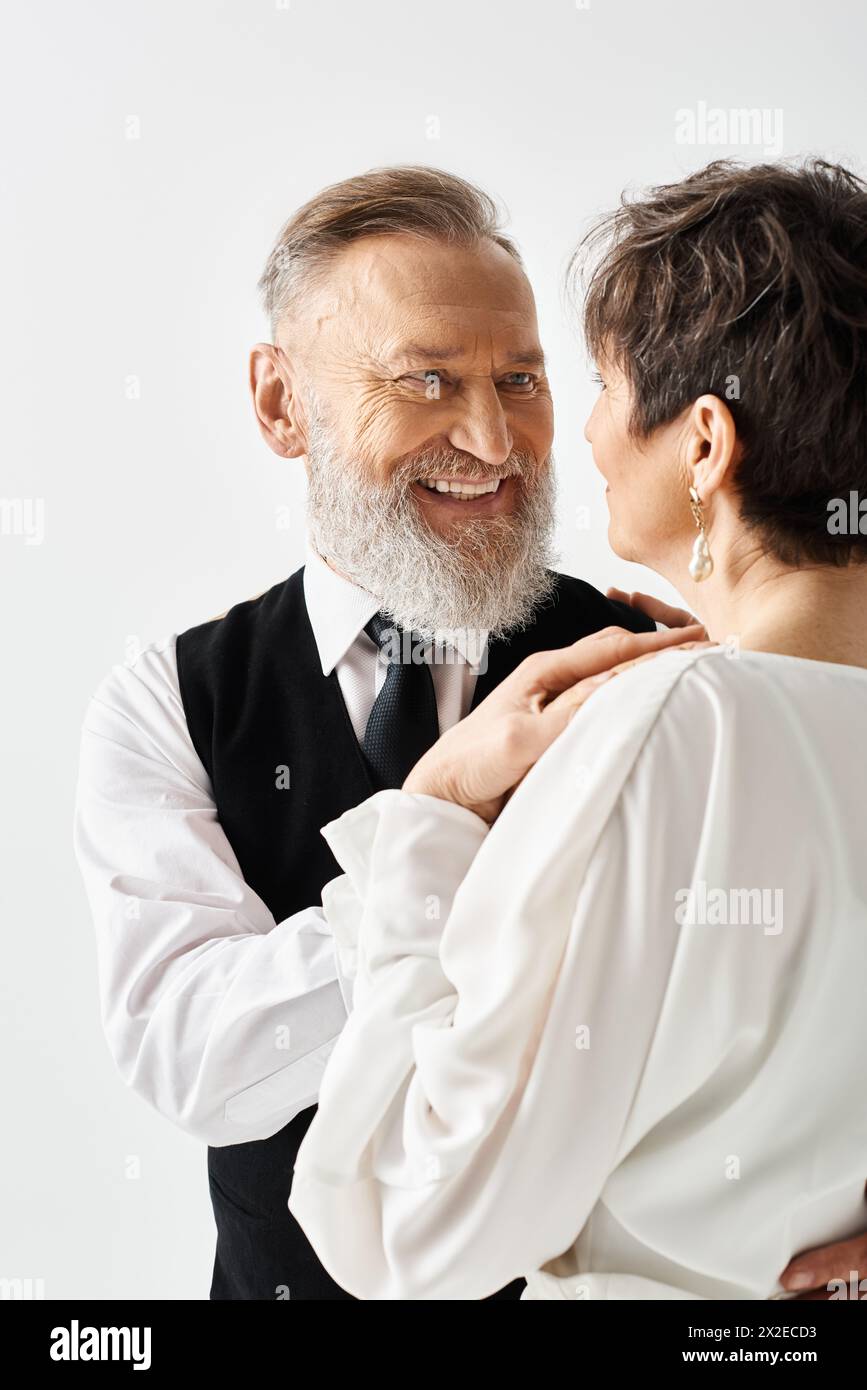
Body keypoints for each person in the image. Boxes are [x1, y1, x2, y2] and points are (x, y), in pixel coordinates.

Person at [73, 166, 669, 1301]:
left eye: (522, 378)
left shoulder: (641, 660)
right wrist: (432, 828)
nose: (494, 440)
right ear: (280, 404)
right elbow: (193, 1055)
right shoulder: (171, 701)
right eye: (428, 379)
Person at [287, 158, 867, 1300]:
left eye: (587, 382)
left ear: (704, 444)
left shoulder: (663, 727)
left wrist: (433, 815)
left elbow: (417, 1233)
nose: (571, 438)